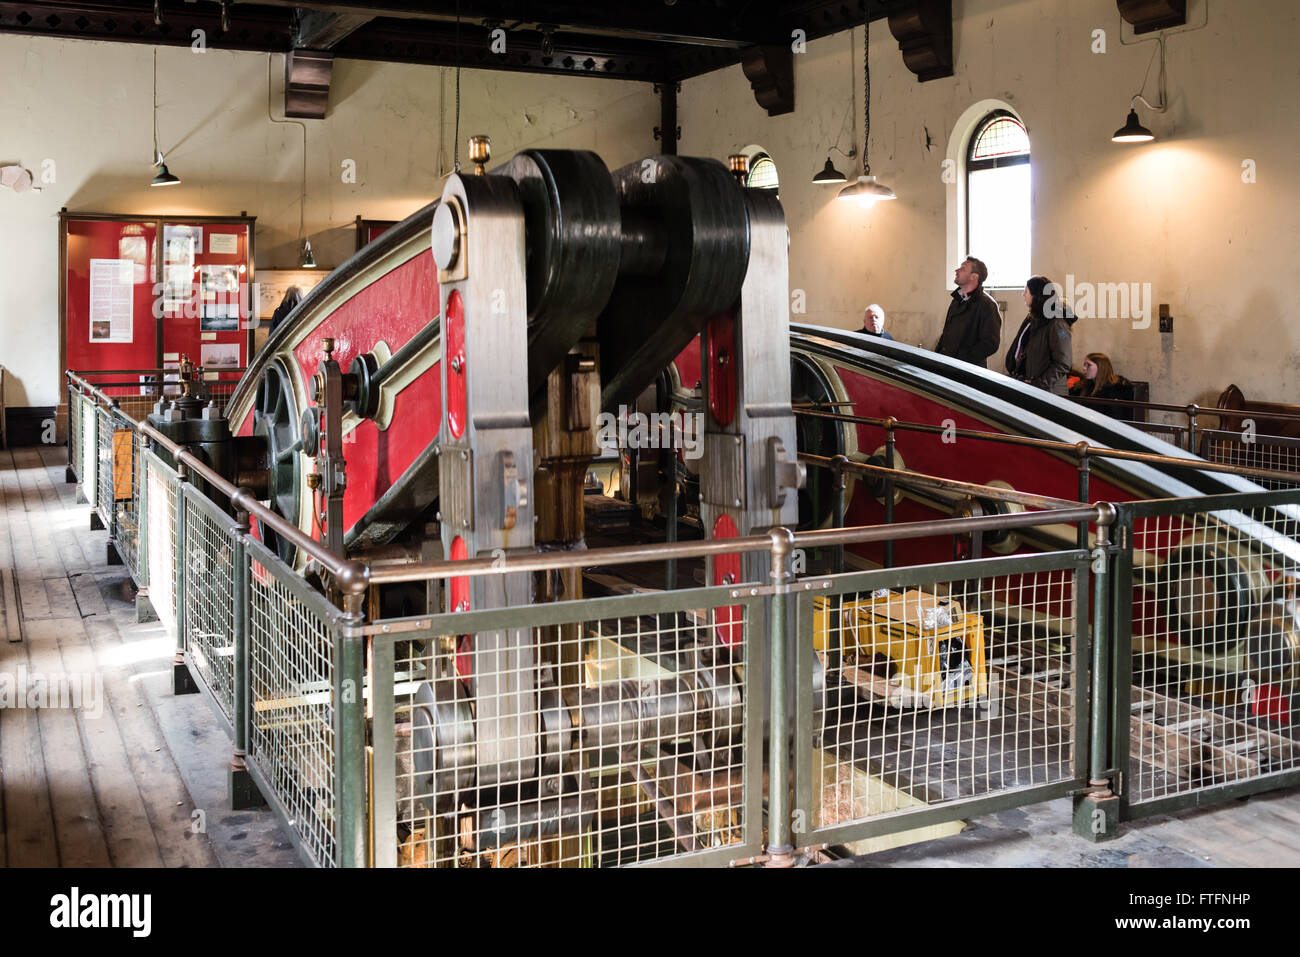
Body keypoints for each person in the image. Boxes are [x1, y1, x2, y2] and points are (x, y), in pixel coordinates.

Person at [1004, 276, 1074, 395]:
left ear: (1036, 295)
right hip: (1029, 386)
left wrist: (1039, 384)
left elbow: (1063, 363)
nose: (1023, 295)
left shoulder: (1058, 324)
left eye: (1026, 291)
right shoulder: (1032, 318)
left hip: (1048, 391)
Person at [936, 256, 1001, 368]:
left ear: (973, 277)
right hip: (947, 366)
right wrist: (937, 357)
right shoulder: (956, 301)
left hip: (968, 371)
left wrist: (962, 360)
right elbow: (946, 334)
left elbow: (990, 344)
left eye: (963, 268)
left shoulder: (987, 305)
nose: (957, 271)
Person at [1072, 352, 1134, 419]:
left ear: (1100, 367)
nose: (1084, 368)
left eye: (1089, 365)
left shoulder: (1115, 389)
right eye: (1084, 364)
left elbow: (1115, 416)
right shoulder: (1085, 385)